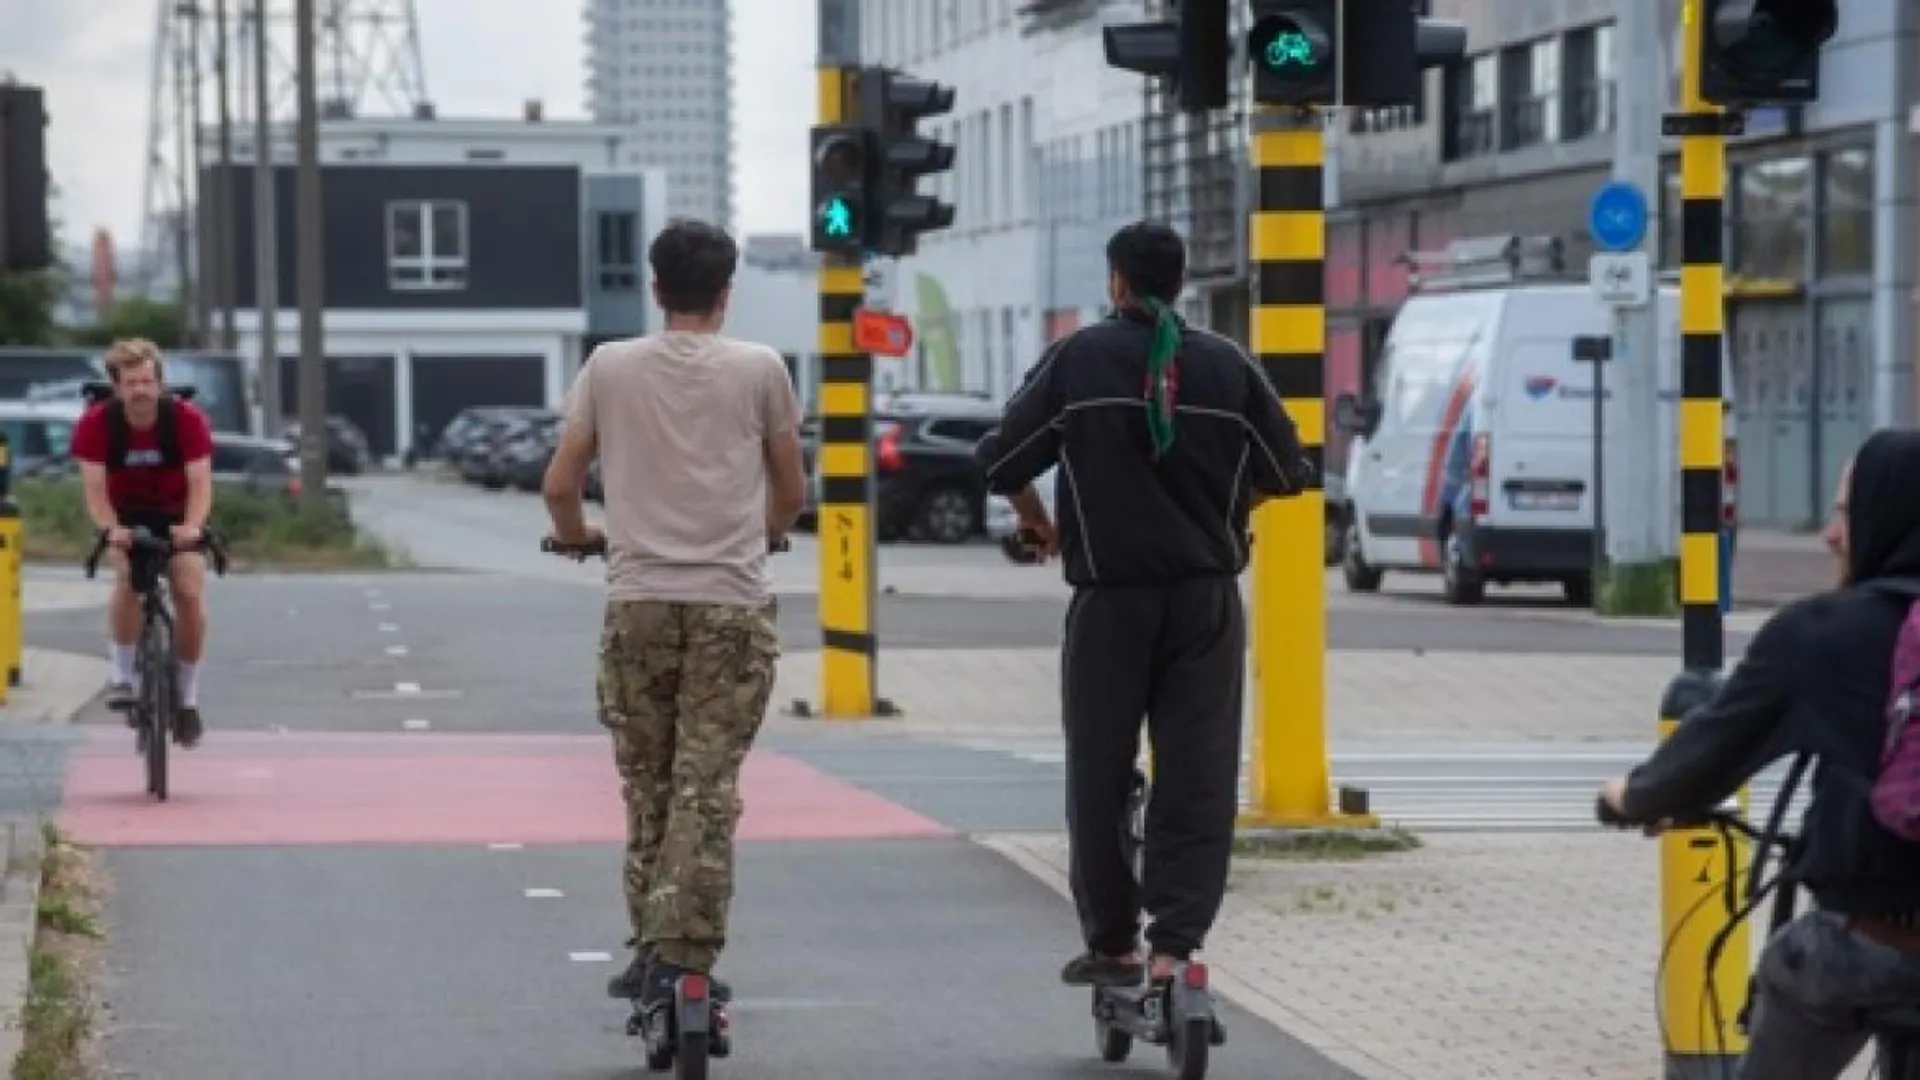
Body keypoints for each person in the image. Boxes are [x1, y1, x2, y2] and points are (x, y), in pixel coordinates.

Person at [973, 221, 1313, 990]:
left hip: (1110, 605)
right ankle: (1175, 949)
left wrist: (1038, 522)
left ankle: (1115, 945)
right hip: (1205, 604)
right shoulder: (1228, 366)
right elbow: (1288, 469)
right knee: (1199, 772)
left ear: (1116, 282)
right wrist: (1227, 516)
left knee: (1099, 771)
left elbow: (1001, 460)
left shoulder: (1079, 360)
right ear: (1181, 284)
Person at [540, 219, 808, 1007]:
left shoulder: (609, 366)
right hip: (732, 607)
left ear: (656, 288)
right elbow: (790, 490)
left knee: (649, 783)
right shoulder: (761, 369)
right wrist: (765, 534)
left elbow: (560, 485)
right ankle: (681, 954)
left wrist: (577, 537)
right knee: (707, 785)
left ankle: (651, 953)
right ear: (727, 292)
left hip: (639, 606)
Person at [1598, 428, 1920, 1080]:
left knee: (1804, 975)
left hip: (1869, 943)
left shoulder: (1822, 632)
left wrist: (1633, 799)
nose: (1831, 535)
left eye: (1844, 512)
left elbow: (1711, 749)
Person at [68, 338, 217, 748]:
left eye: (148, 381)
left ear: (160, 383)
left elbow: (200, 482)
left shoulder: (186, 420)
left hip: (177, 515)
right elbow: (95, 491)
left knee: (189, 590)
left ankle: (187, 699)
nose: (141, 391)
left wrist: (192, 527)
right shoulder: (97, 424)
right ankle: (122, 675)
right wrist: (112, 529)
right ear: (117, 387)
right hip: (126, 517)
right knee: (127, 579)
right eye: (131, 383)